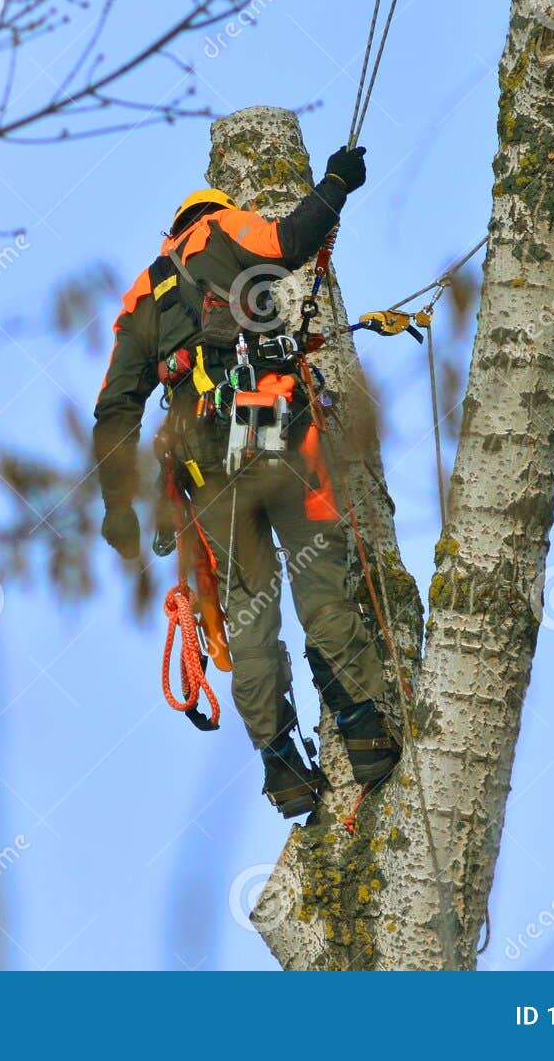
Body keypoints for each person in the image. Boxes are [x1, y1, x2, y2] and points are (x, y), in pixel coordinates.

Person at [92, 144, 401, 818]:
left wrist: (116, 506)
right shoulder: (224, 231)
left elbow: (116, 407)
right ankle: (366, 728)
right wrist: (337, 185)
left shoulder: (141, 299)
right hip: (267, 430)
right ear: (212, 214)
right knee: (320, 574)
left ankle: (282, 766)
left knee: (250, 615)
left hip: (202, 470)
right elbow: (289, 241)